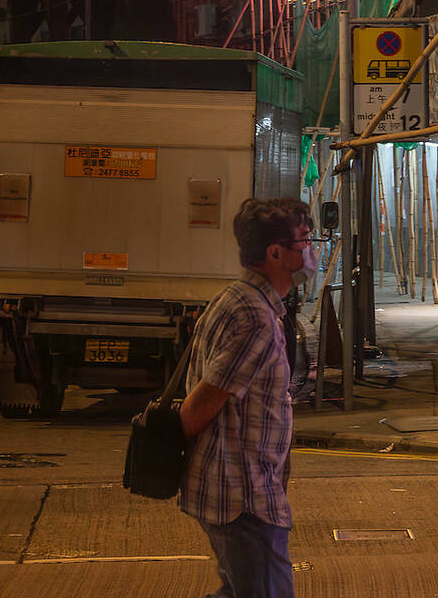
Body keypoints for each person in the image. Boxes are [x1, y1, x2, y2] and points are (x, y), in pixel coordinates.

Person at [176, 197, 317, 598]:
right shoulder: (255, 319)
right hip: (243, 499)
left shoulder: (235, 299)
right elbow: (196, 410)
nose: (311, 252)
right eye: (304, 242)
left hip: (241, 491)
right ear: (275, 253)